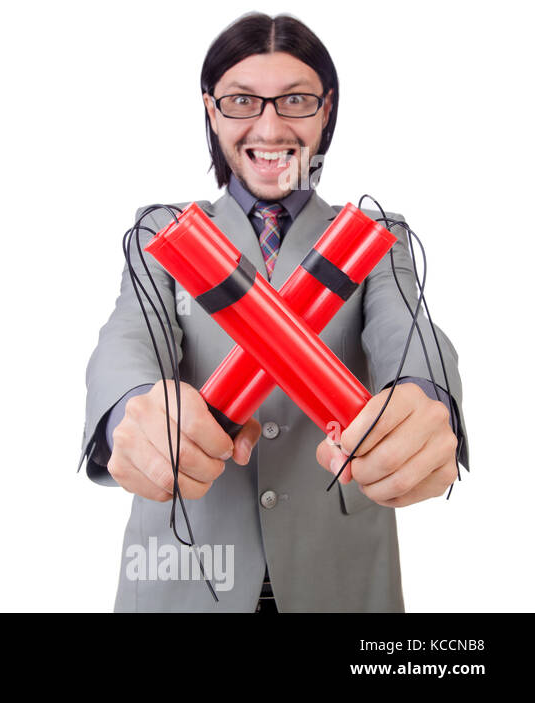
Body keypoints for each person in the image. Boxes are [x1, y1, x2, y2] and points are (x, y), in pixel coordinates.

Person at [80, 13, 468, 612]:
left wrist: (424, 398)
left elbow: (409, 334)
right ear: (212, 112)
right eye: (241, 101)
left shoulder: (372, 239)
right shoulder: (167, 235)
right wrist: (129, 410)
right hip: (187, 579)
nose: (269, 125)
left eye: (295, 99)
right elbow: (128, 338)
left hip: (338, 581)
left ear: (326, 110)